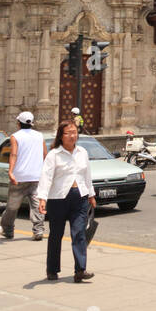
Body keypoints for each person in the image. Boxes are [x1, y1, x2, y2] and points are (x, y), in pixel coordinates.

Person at [36, 120, 96, 282]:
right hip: (58, 199)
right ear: (61, 136)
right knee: (56, 234)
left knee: (79, 233)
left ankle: (80, 270)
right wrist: (42, 198)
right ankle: (52, 269)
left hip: (80, 198)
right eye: (68, 133)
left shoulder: (82, 152)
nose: (72, 136)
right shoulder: (54, 155)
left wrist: (91, 195)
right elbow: (46, 177)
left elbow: (87, 175)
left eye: (74, 132)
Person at [0, 111, 47, 241]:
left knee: (12, 206)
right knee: (37, 205)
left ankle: (8, 230)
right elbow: (44, 154)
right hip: (36, 176)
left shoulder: (15, 136)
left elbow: (13, 154)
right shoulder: (40, 135)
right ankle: (38, 230)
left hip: (19, 177)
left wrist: (10, 171)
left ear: (19, 123)